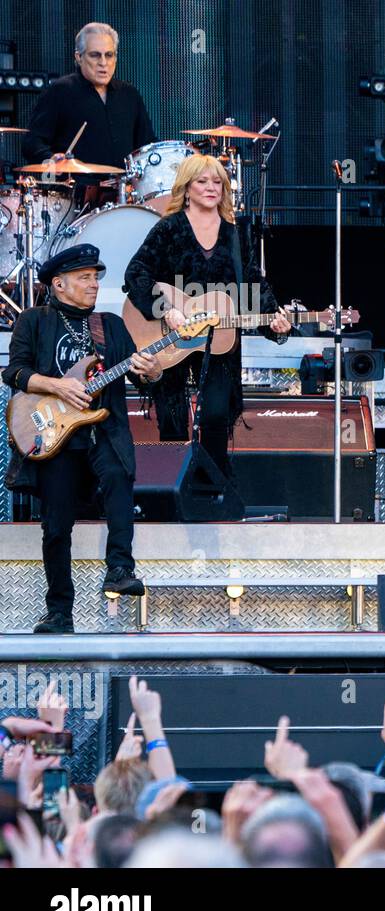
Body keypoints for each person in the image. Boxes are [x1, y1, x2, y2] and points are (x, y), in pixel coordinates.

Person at [1, 244, 163, 634]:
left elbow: (142, 377)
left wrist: (153, 369)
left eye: (95, 277)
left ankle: (120, 569)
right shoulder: (34, 321)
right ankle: (59, 611)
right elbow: (15, 373)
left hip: (102, 430)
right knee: (56, 525)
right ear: (58, 284)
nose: (93, 285)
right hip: (54, 434)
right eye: (84, 278)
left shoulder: (110, 326)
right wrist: (58, 386)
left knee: (119, 478)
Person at [124, 154, 292, 480]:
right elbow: (136, 273)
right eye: (203, 181)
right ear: (187, 189)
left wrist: (274, 321)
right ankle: (170, 484)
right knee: (172, 417)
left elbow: (253, 284)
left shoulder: (236, 234)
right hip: (170, 336)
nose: (211, 187)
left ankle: (214, 490)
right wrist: (166, 309)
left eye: (217, 182)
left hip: (219, 339)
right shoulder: (168, 228)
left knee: (216, 414)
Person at [21, 22, 156, 204]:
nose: (103, 63)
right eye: (95, 55)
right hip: (74, 201)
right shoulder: (60, 91)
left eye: (109, 55)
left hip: (125, 198)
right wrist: (50, 158)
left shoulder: (129, 95)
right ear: (78, 57)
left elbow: (147, 145)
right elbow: (31, 141)